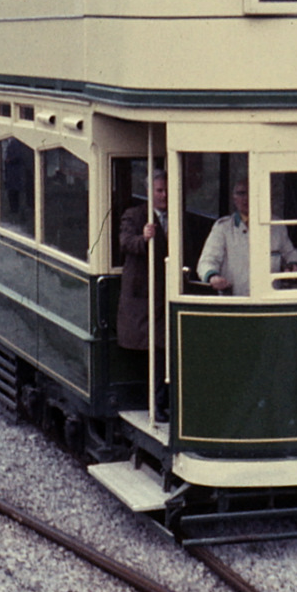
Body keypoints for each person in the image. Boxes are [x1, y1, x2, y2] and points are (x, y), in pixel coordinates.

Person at [118, 171, 170, 421]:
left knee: (165, 350)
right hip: (145, 299)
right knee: (157, 351)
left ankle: (164, 403)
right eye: (159, 191)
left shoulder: (177, 216)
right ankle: (157, 405)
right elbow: (125, 243)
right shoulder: (136, 215)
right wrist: (144, 238)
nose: (164, 195)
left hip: (167, 294)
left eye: (167, 190)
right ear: (150, 192)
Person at [197, 178, 297, 297]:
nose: (246, 198)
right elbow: (207, 261)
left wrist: (293, 266)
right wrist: (213, 277)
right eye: (241, 193)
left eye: (251, 193)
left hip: (269, 300)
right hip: (235, 302)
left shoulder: (276, 226)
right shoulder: (223, 228)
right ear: (234, 198)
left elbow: (291, 255)